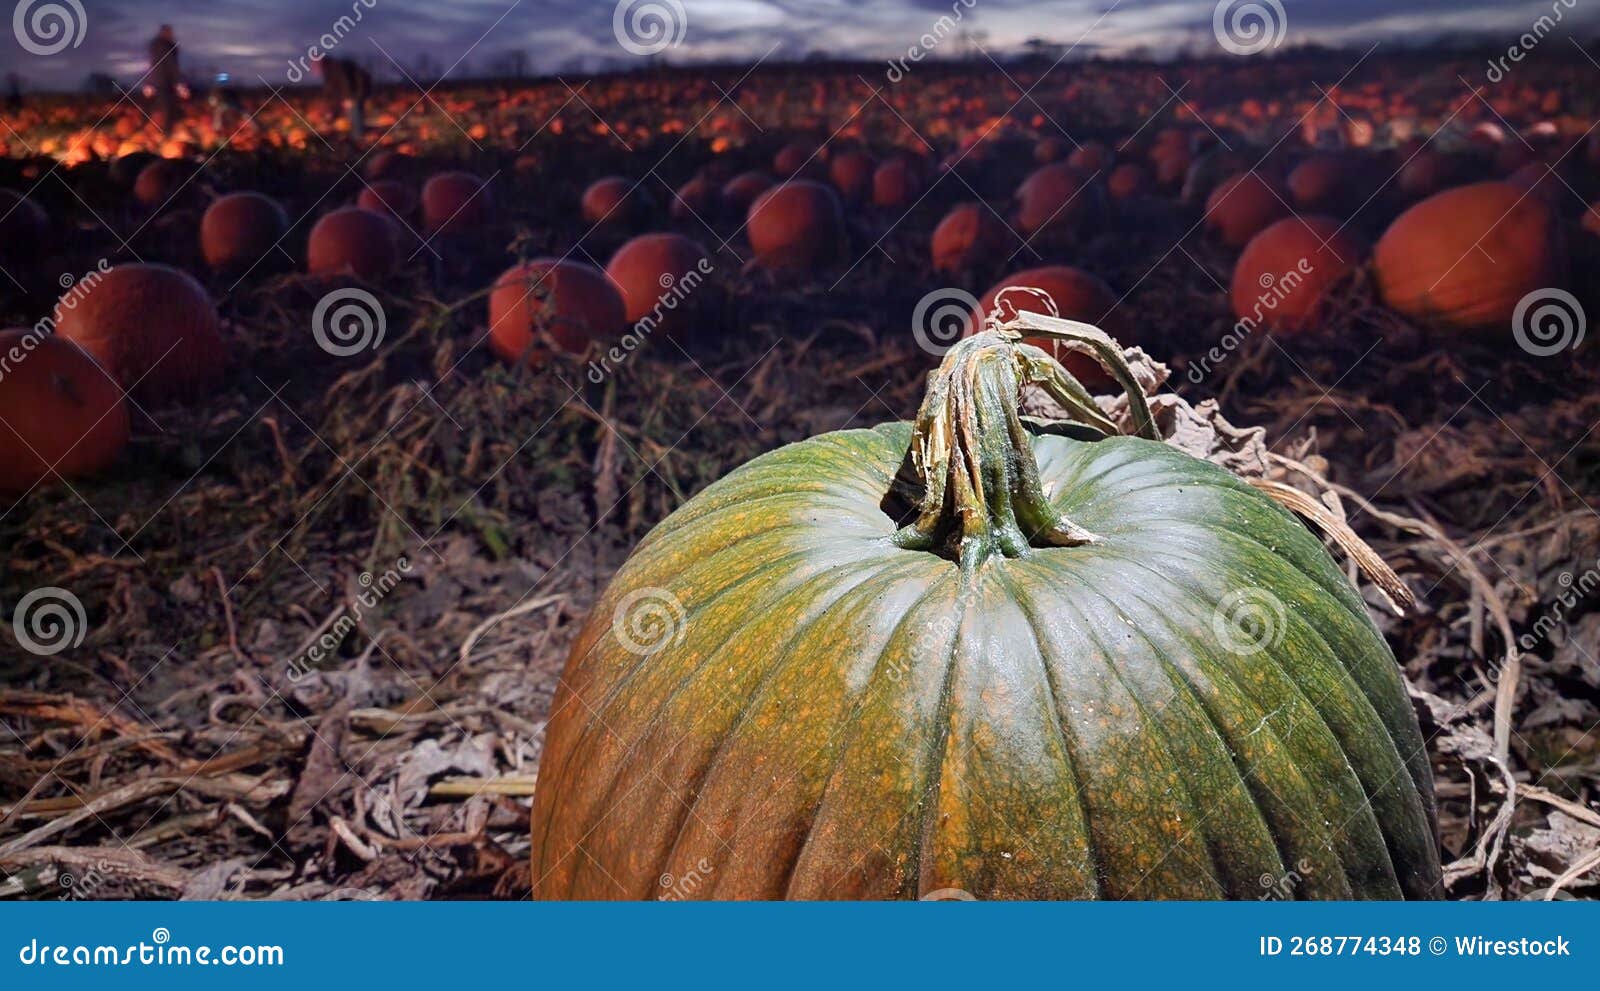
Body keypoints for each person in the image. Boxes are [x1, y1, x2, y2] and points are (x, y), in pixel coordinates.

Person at [313, 55, 372, 138]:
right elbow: (333, 91)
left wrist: (349, 97)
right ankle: (354, 135)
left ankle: (358, 138)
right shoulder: (328, 71)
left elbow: (346, 82)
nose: (312, 68)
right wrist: (332, 110)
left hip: (356, 90)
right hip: (354, 91)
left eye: (314, 64)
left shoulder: (335, 68)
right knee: (350, 113)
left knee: (354, 112)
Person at [147, 25, 182, 132]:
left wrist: (149, 82)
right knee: (168, 108)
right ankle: (166, 132)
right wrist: (178, 82)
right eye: (169, 32)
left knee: (159, 107)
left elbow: (152, 65)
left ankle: (157, 130)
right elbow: (171, 65)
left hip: (158, 81)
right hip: (166, 82)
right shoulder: (166, 47)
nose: (171, 34)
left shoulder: (155, 47)